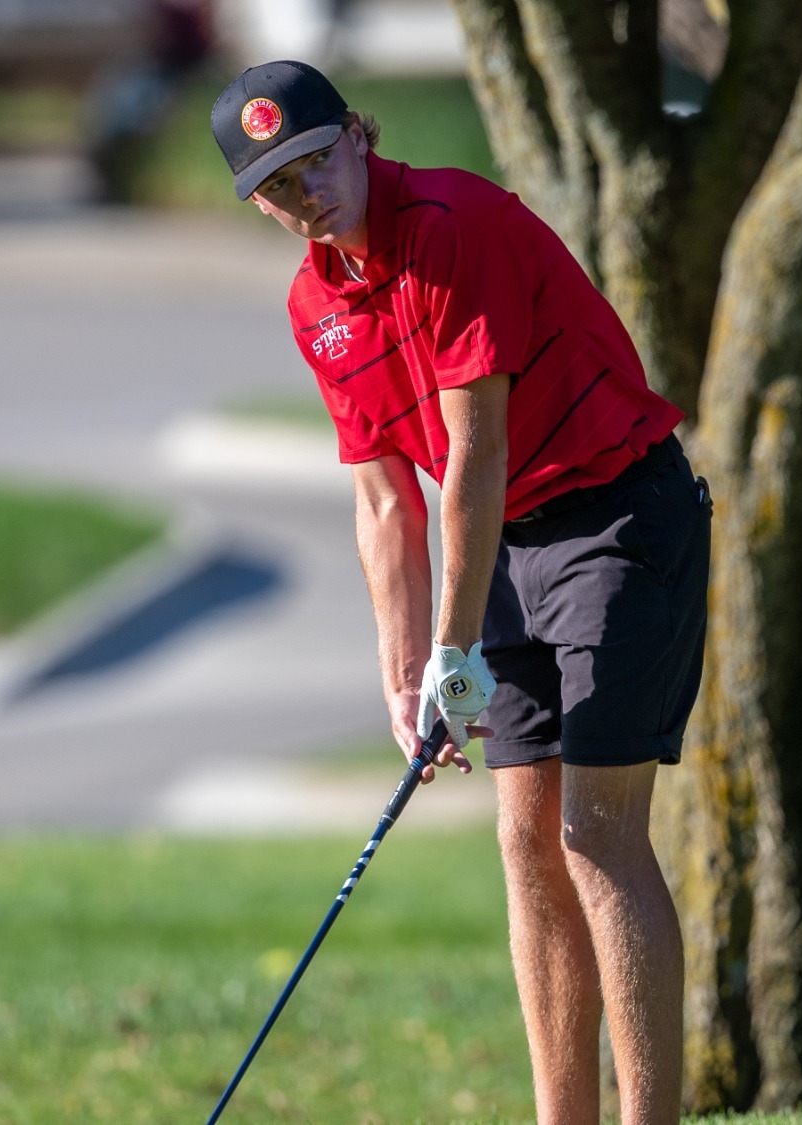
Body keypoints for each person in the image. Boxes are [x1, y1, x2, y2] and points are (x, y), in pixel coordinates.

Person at [210, 61, 708, 1124]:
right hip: (507, 546)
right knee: (523, 839)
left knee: (596, 831)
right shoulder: (316, 305)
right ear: (258, 203)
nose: (308, 196)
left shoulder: (448, 223)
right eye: (280, 187)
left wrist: (453, 651)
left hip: (614, 515)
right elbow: (385, 499)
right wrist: (406, 675)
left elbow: (472, 453)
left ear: (354, 134)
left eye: (314, 161)